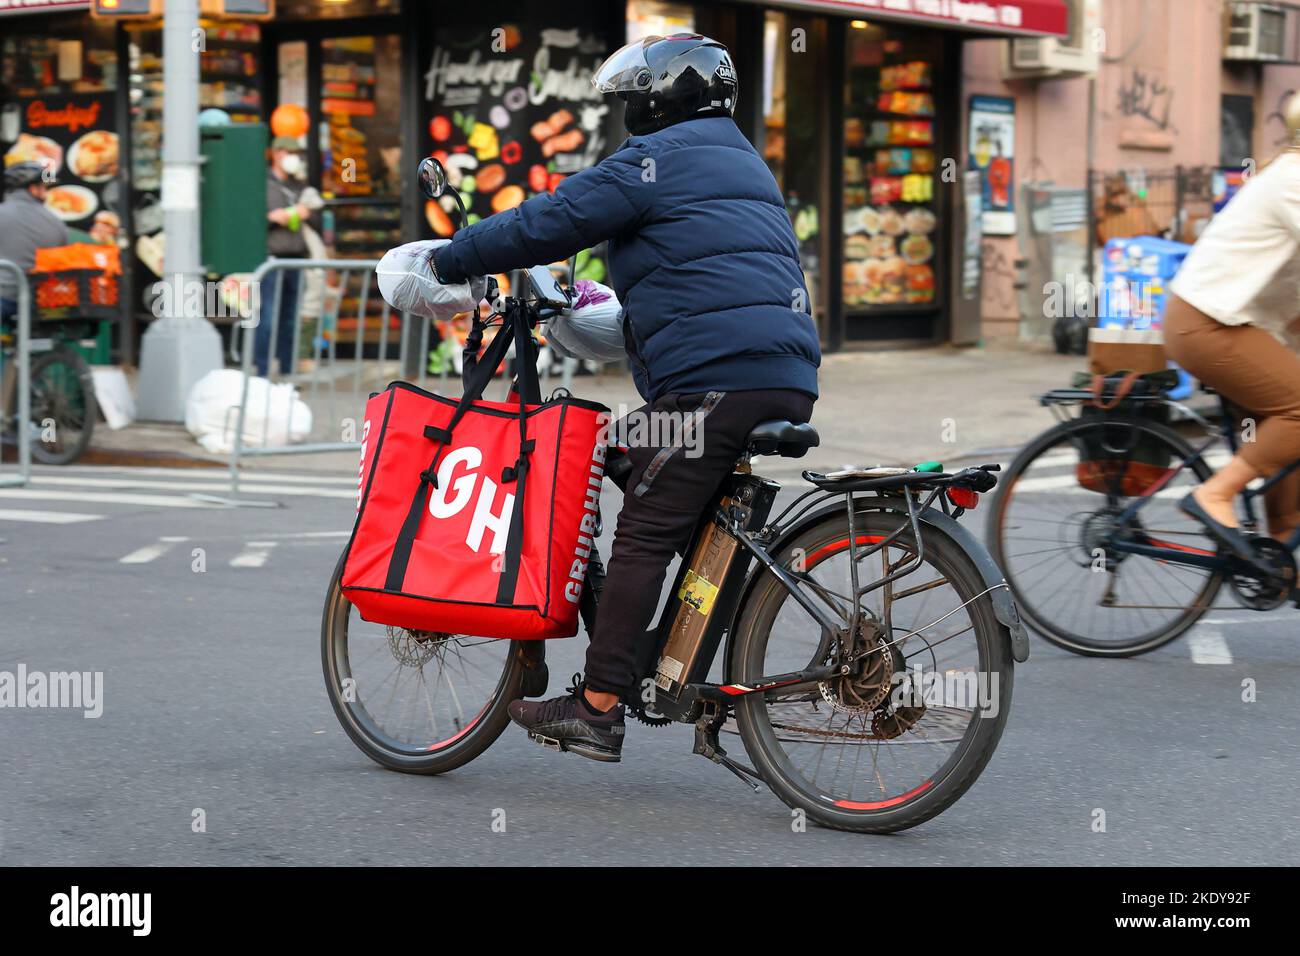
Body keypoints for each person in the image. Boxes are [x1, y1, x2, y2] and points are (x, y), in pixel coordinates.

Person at [423, 34, 821, 762]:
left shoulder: (650, 162)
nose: (626, 110)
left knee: (641, 529)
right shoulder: (741, 160)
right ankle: (663, 650)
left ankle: (599, 704)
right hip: (781, 373)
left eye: (632, 96)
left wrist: (445, 258)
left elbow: (543, 222)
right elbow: (708, 272)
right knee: (621, 455)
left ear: (656, 98)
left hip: (714, 382)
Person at [1164, 92, 1300, 561]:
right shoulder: (1294, 178)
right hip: (1208, 325)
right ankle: (1215, 494)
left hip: (1232, 325)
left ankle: (1279, 560)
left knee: (1284, 439)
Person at [256, 137, 314, 377]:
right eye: (288, 152)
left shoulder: (298, 186)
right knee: (267, 317)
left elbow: (314, 219)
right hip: (271, 259)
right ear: (276, 154)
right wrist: (271, 218)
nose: (293, 157)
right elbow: (250, 219)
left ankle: (289, 371)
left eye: (296, 152)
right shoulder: (261, 183)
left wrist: (308, 212)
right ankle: (262, 369)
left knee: (290, 318)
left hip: (295, 258)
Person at [0, 160, 68, 319]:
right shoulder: (57, 223)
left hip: (4, 298)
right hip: (38, 304)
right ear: (33, 189)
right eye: (44, 187)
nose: (46, 192)